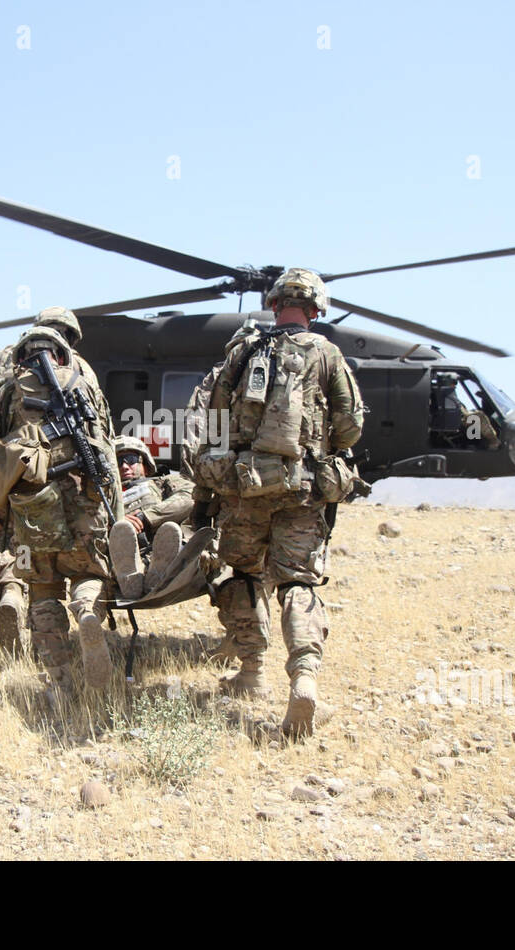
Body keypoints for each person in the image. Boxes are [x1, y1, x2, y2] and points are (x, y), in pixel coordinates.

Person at [189, 268, 365, 739]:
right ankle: (304, 676)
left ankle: (252, 670)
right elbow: (350, 428)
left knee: (243, 576)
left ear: (273, 306)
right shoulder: (328, 354)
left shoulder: (243, 352)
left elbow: (215, 425)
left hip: (245, 491)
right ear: (315, 309)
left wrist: (207, 496)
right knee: (298, 584)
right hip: (304, 494)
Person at [0, 320, 121, 699]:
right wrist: (118, 517)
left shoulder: (10, 389)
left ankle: (59, 679)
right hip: (87, 501)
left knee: (42, 590)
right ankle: (87, 611)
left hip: (32, 510)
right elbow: (107, 447)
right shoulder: (86, 384)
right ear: (64, 351)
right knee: (88, 572)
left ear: (22, 355)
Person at [0, 307, 89, 656]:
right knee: (68, 556)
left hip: (10, 475)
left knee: (11, 542)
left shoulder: (3, 362)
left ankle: (10, 590)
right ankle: (85, 610)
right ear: (69, 336)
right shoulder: (81, 371)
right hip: (70, 482)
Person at [107, 435, 195, 600]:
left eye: (131, 459)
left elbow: (191, 496)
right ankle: (134, 577)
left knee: (171, 533)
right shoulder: (105, 497)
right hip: (122, 555)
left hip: (164, 544)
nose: (125, 466)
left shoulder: (162, 482)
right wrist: (116, 523)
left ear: (145, 465)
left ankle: (152, 573)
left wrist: (145, 518)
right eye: (118, 462)